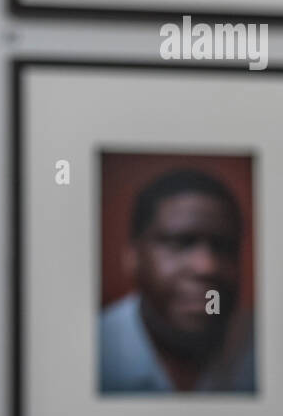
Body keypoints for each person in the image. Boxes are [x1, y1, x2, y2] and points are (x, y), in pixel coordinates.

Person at [100, 168, 255, 393]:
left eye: (224, 246)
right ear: (133, 256)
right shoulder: (95, 350)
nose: (207, 267)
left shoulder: (271, 350)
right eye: (180, 243)